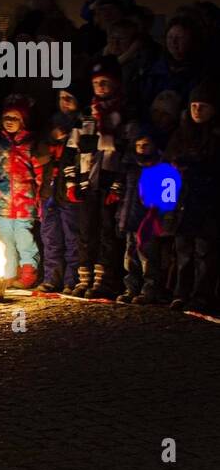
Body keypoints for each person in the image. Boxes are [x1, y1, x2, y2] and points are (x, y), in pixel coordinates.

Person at [72, 56, 131, 299]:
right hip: (88, 182)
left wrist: (117, 184)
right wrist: (73, 181)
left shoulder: (123, 114)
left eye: (105, 82)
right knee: (86, 231)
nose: (101, 87)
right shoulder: (87, 114)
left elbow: (126, 153)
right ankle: (84, 278)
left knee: (108, 231)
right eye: (96, 83)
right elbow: (74, 148)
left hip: (109, 182)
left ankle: (105, 280)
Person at [0, 96, 44, 289]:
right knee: (4, 239)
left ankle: (28, 272)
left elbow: (39, 171)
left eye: (15, 118)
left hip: (25, 202)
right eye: (7, 117)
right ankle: (7, 275)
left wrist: (40, 196)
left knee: (24, 238)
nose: (10, 121)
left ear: (23, 121)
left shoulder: (30, 142)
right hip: (2, 202)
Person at [164, 82, 219, 312]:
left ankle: (201, 296)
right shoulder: (181, 134)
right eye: (194, 105)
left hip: (208, 203)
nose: (197, 110)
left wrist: (195, 167)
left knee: (204, 252)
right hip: (183, 203)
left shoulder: (215, 136)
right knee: (183, 251)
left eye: (203, 106)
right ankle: (181, 293)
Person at [115, 129, 167, 305]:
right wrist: (121, 216)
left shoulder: (160, 167)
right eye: (138, 145)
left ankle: (149, 291)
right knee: (130, 256)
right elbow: (127, 195)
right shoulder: (131, 166)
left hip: (149, 219)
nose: (142, 149)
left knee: (148, 256)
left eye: (146, 145)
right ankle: (131, 288)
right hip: (131, 217)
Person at [39, 111, 81, 294]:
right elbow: (38, 158)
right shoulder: (45, 142)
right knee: (50, 238)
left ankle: (72, 280)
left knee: (72, 238)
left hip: (68, 194)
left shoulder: (76, 138)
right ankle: (51, 279)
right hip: (49, 193)